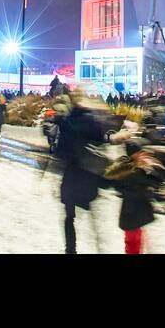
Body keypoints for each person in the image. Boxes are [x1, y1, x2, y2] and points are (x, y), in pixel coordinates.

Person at [56, 97, 108, 253]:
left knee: (69, 217)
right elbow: (101, 145)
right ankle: (99, 247)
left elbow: (61, 152)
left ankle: (70, 249)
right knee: (93, 216)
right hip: (89, 174)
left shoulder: (68, 122)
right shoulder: (94, 121)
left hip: (71, 176)